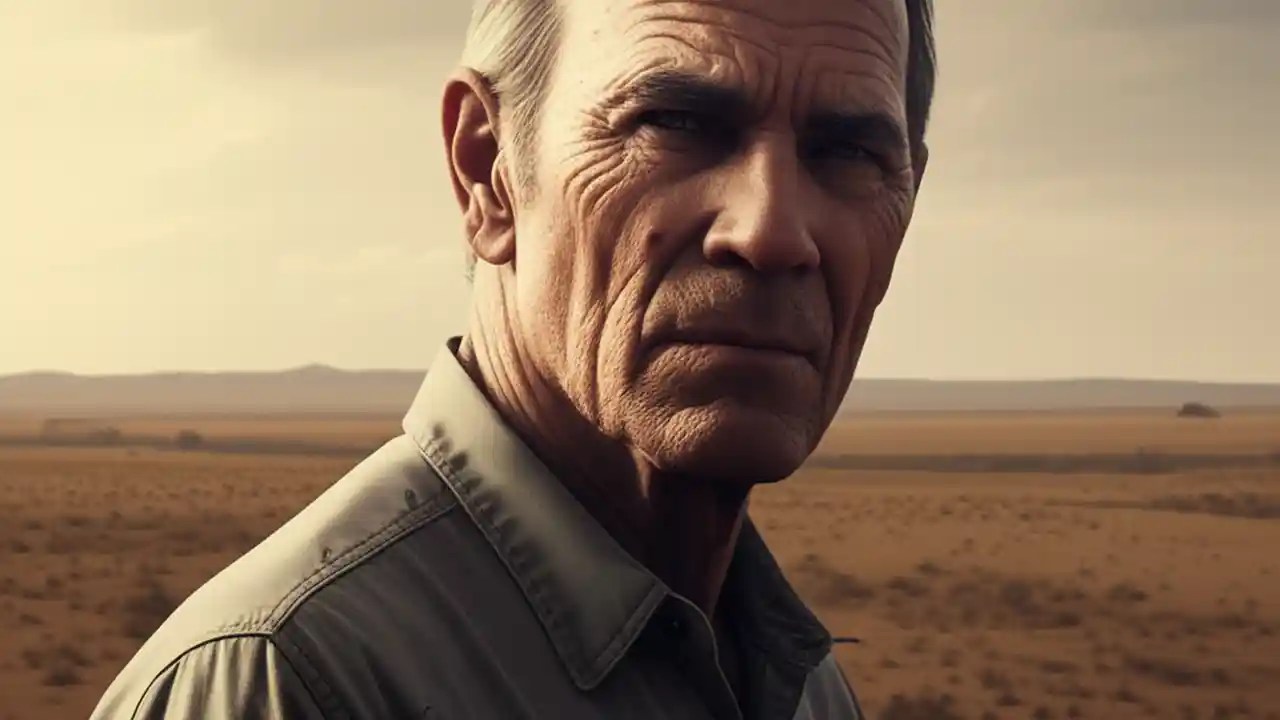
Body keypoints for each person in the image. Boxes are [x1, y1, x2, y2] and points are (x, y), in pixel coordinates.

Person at [91, 0, 935, 717]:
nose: (772, 232)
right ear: (488, 167)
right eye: (675, 123)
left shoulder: (797, 680)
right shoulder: (289, 681)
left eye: (849, 153)